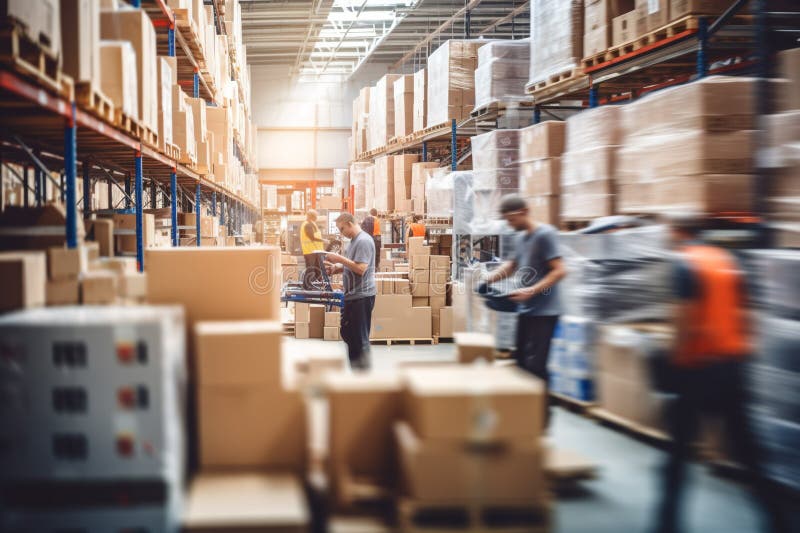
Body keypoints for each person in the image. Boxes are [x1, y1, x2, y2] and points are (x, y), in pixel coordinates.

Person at [654, 214, 788, 533]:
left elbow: (683, 317)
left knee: (678, 451)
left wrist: (673, 359)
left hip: (697, 367)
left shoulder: (684, 263)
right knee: (748, 451)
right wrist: (743, 351)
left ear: (677, 232)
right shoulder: (728, 260)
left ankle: (666, 523)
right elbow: (748, 311)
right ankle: (779, 519)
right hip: (733, 364)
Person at [480, 194, 566, 424]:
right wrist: (489, 279)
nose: (509, 224)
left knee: (537, 365)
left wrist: (532, 290)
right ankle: (526, 412)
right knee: (520, 362)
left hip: (545, 311)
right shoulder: (522, 238)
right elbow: (512, 265)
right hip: (526, 309)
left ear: (523, 212)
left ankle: (542, 417)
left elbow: (559, 270)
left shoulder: (545, 235)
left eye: (511, 218)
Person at [324, 212, 376, 370]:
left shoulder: (364, 241)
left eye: (342, 229)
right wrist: (336, 268)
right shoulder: (353, 242)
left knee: (360, 338)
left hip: (361, 296)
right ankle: (356, 370)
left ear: (350, 223)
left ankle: (363, 375)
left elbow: (360, 269)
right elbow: (352, 264)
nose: (341, 233)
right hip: (352, 295)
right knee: (348, 333)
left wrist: (339, 258)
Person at [300, 209, 325, 289]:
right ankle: (308, 286)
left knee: (316, 268)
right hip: (310, 251)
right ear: (312, 216)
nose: (317, 217)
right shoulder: (307, 225)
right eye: (315, 216)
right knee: (310, 269)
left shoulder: (312, 224)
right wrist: (323, 240)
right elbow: (312, 237)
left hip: (315, 250)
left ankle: (316, 284)